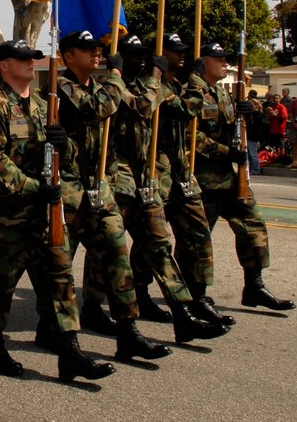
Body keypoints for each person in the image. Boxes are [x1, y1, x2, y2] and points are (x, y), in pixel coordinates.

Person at [0, 39, 115, 381]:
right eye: (23, 59)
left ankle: (70, 352)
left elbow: (66, 157)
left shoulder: (42, 106)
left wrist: (64, 144)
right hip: (7, 219)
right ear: (4, 65)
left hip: (45, 216)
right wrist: (37, 188)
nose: (30, 63)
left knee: (59, 281)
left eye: (33, 58)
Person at [82, 35, 228, 345]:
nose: (144, 61)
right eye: (135, 56)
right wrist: (154, 76)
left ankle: (183, 314)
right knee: (104, 248)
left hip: (146, 176)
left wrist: (190, 79)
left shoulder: (151, 83)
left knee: (159, 244)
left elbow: (186, 109)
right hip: (117, 175)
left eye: (147, 56)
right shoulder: (114, 86)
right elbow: (143, 108)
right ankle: (93, 306)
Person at [36, 30, 169, 361]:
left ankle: (129, 332)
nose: (97, 53)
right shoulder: (61, 88)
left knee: (116, 254)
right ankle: (55, 331)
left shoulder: (97, 85)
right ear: (67, 57)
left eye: (98, 48)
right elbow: (99, 109)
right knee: (59, 265)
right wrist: (118, 75)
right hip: (67, 190)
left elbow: (136, 109)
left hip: (99, 186)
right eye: (87, 49)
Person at [194, 41, 296, 312]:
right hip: (204, 179)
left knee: (253, 226)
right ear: (203, 60)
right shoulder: (192, 90)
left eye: (226, 58)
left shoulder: (223, 93)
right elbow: (191, 137)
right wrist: (225, 152)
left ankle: (254, 285)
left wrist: (250, 116)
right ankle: (197, 294)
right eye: (218, 58)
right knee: (198, 239)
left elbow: (235, 131)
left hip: (231, 178)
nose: (224, 62)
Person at [155, 33, 234, 328]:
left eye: (183, 51)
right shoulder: (160, 86)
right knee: (153, 243)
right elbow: (188, 109)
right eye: (175, 52)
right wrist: (198, 82)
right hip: (158, 172)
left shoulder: (178, 83)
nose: (182, 56)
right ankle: (140, 295)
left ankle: (198, 297)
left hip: (181, 171)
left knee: (198, 234)